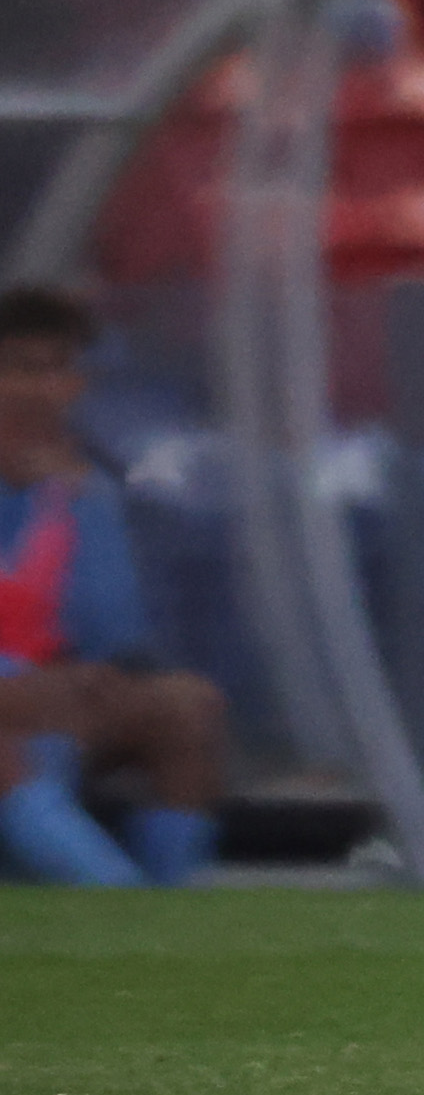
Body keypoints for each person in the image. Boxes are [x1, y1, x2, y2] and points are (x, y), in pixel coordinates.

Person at [0, 286, 223, 888]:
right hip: (20, 700)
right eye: (20, 370)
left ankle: (168, 899)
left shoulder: (79, 491)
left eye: (57, 372)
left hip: (55, 700)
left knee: (187, 706)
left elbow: (115, 635)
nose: (41, 391)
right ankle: (123, 902)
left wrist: (80, 509)